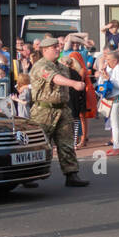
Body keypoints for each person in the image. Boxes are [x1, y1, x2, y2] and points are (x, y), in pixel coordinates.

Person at [29, 36, 90, 187]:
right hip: (44, 111)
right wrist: (74, 83)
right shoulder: (40, 66)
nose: (58, 49)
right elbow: (54, 78)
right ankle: (28, 176)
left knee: (66, 143)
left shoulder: (62, 66)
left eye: (58, 46)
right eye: (54, 47)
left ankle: (71, 174)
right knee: (38, 145)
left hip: (62, 109)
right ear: (44, 50)